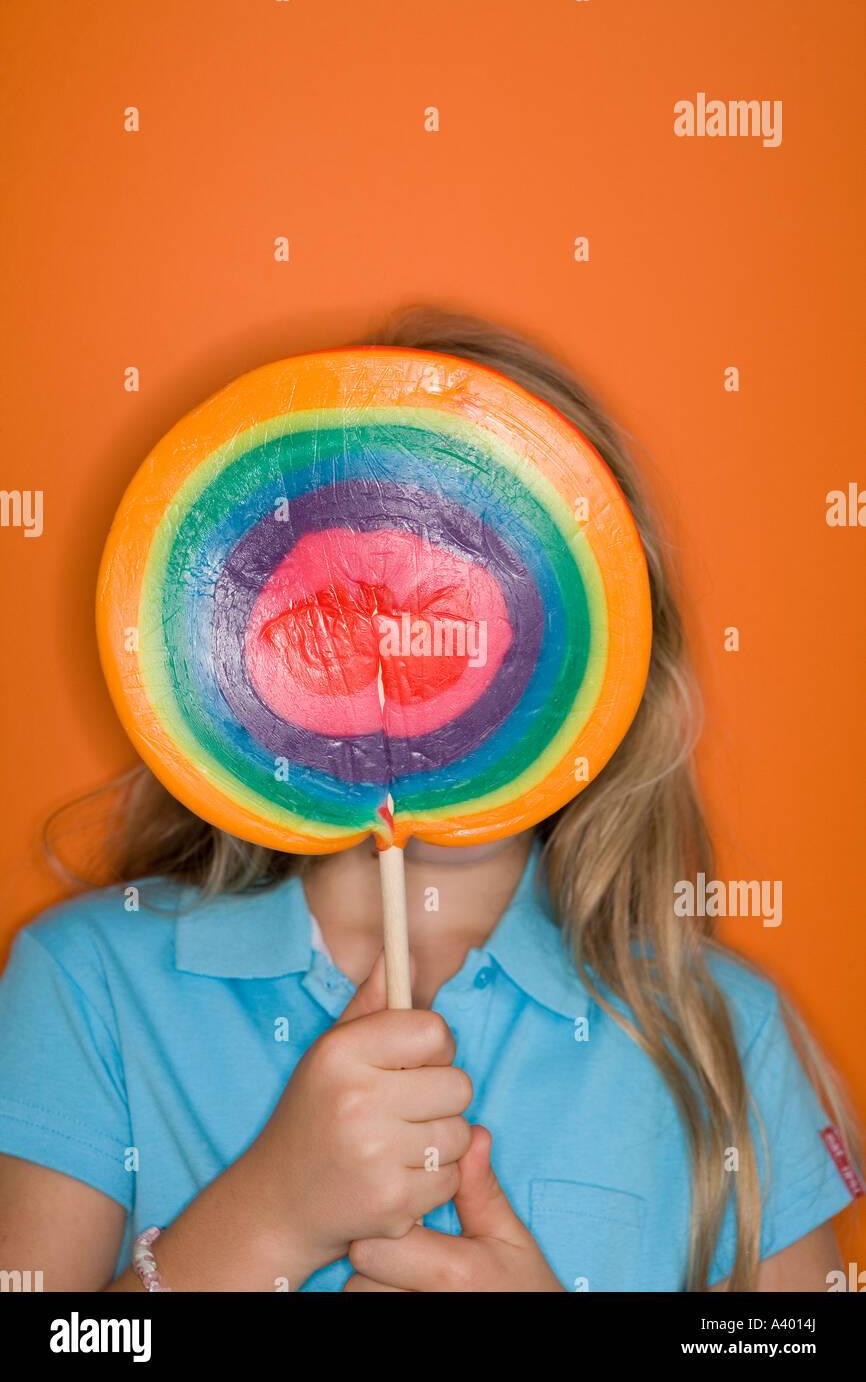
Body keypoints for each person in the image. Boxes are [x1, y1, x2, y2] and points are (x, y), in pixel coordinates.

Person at [0, 306, 860, 1292]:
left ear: (603, 654)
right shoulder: (88, 985)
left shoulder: (721, 1037)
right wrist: (264, 1221)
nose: (407, 648)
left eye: (466, 584)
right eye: (359, 601)